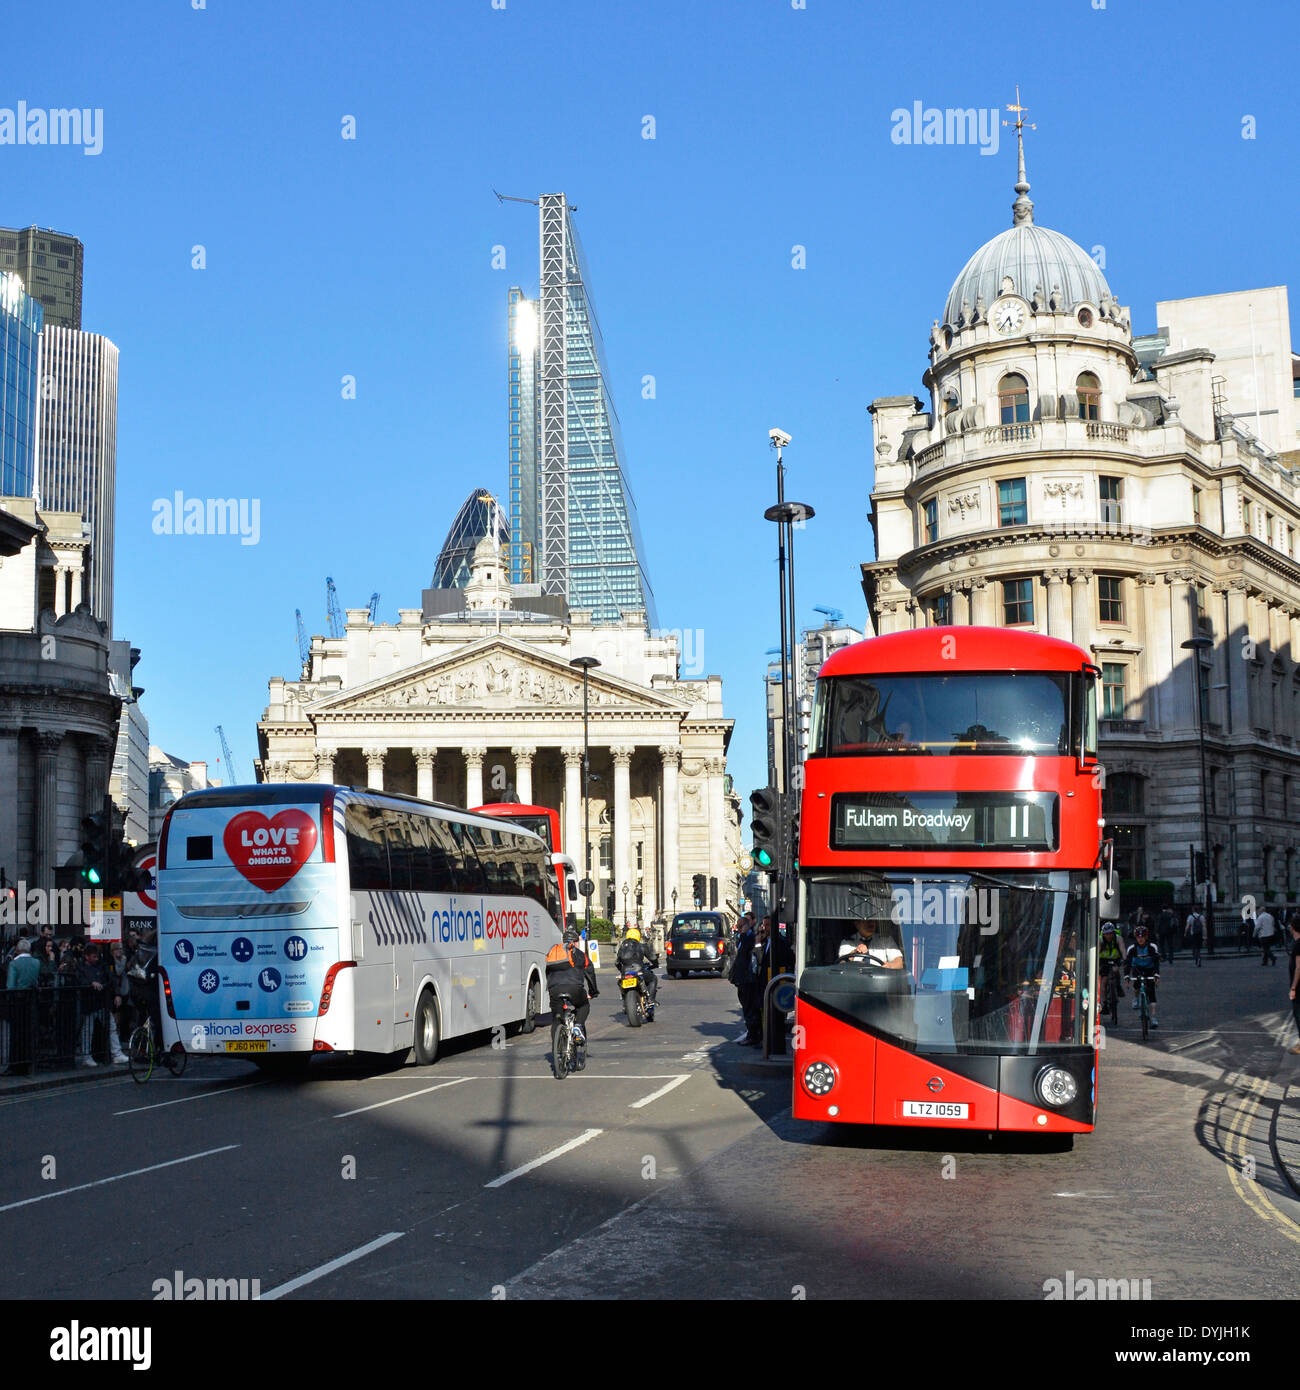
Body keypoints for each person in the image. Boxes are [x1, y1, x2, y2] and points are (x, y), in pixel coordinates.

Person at [545, 930, 595, 1050]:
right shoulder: (580, 954)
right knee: (583, 1006)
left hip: (554, 989)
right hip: (574, 988)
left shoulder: (554, 953)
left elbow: (547, 972)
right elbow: (590, 972)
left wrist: (551, 988)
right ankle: (578, 1025)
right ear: (576, 942)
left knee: (557, 1018)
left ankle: (556, 1048)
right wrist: (593, 991)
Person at [4, 938, 41, 1075]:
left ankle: (15, 1065)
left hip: (17, 1001)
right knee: (28, 1033)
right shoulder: (36, 962)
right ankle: (27, 1064)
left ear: (17, 950)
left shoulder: (14, 963)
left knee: (16, 1034)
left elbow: (10, 985)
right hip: (31, 1001)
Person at [1125, 923, 1163, 1028]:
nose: (1140, 939)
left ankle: (1154, 1017)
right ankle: (1136, 998)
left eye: (1143, 936)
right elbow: (1127, 963)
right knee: (1137, 984)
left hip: (1150, 969)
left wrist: (1156, 974)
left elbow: (1156, 962)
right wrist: (1127, 976)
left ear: (1146, 937)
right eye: (1138, 937)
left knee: (1151, 993)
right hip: (1137, 968)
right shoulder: (1132, 949)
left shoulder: (1152, 947)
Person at [732, 915, 761, 1044]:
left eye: (740, 926)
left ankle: (753, 1035)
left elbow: (749, 956)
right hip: (743, 979)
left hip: (748, 979)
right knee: (747, 1008)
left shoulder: (750, 938)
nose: (738, 929)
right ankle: (751, 1034)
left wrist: (744, 933)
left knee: (750, 1008)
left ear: (745, 926)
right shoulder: (743, 938)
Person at [616, 926, 658, 1007]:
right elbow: (652, 958)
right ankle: (650, 999)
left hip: (625, 972)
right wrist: (656, 964)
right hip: (639, 970)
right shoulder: (641, 946)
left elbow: (617, 962)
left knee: (620, 983)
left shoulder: (622, 947)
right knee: (653, 979)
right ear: (638, 936)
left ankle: (625, 1001)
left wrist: (622, 971)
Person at [838, 918, 905, 969]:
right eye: (866, 920)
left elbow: (899, 962)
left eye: (873, 920)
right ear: (856, 924)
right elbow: (842, 964)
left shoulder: (886, 939)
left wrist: (889, 966)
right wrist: (854, 952)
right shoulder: (847, 942)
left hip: (879, 982)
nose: (871, 923)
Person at [1098, 923, 1125, 1014]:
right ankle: (1105, 1004)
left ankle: (1118, 986)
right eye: (1106, 934)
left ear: (1113, 932)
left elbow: (1122, 950)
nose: (1108, 936)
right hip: (1103, 960)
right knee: (1104, 982)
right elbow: (1097, 952)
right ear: (1103, 933)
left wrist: (1125, 959)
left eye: (1110, 933)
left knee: (1116, 971)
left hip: (1115, 959)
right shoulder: (1100, 940)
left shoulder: (1118, 938)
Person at [1287, 917, 1300, 1056]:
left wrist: (1293, 988)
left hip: (1299, 986)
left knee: (1298, 1013)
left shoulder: (1298, 945)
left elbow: (1298, 968)